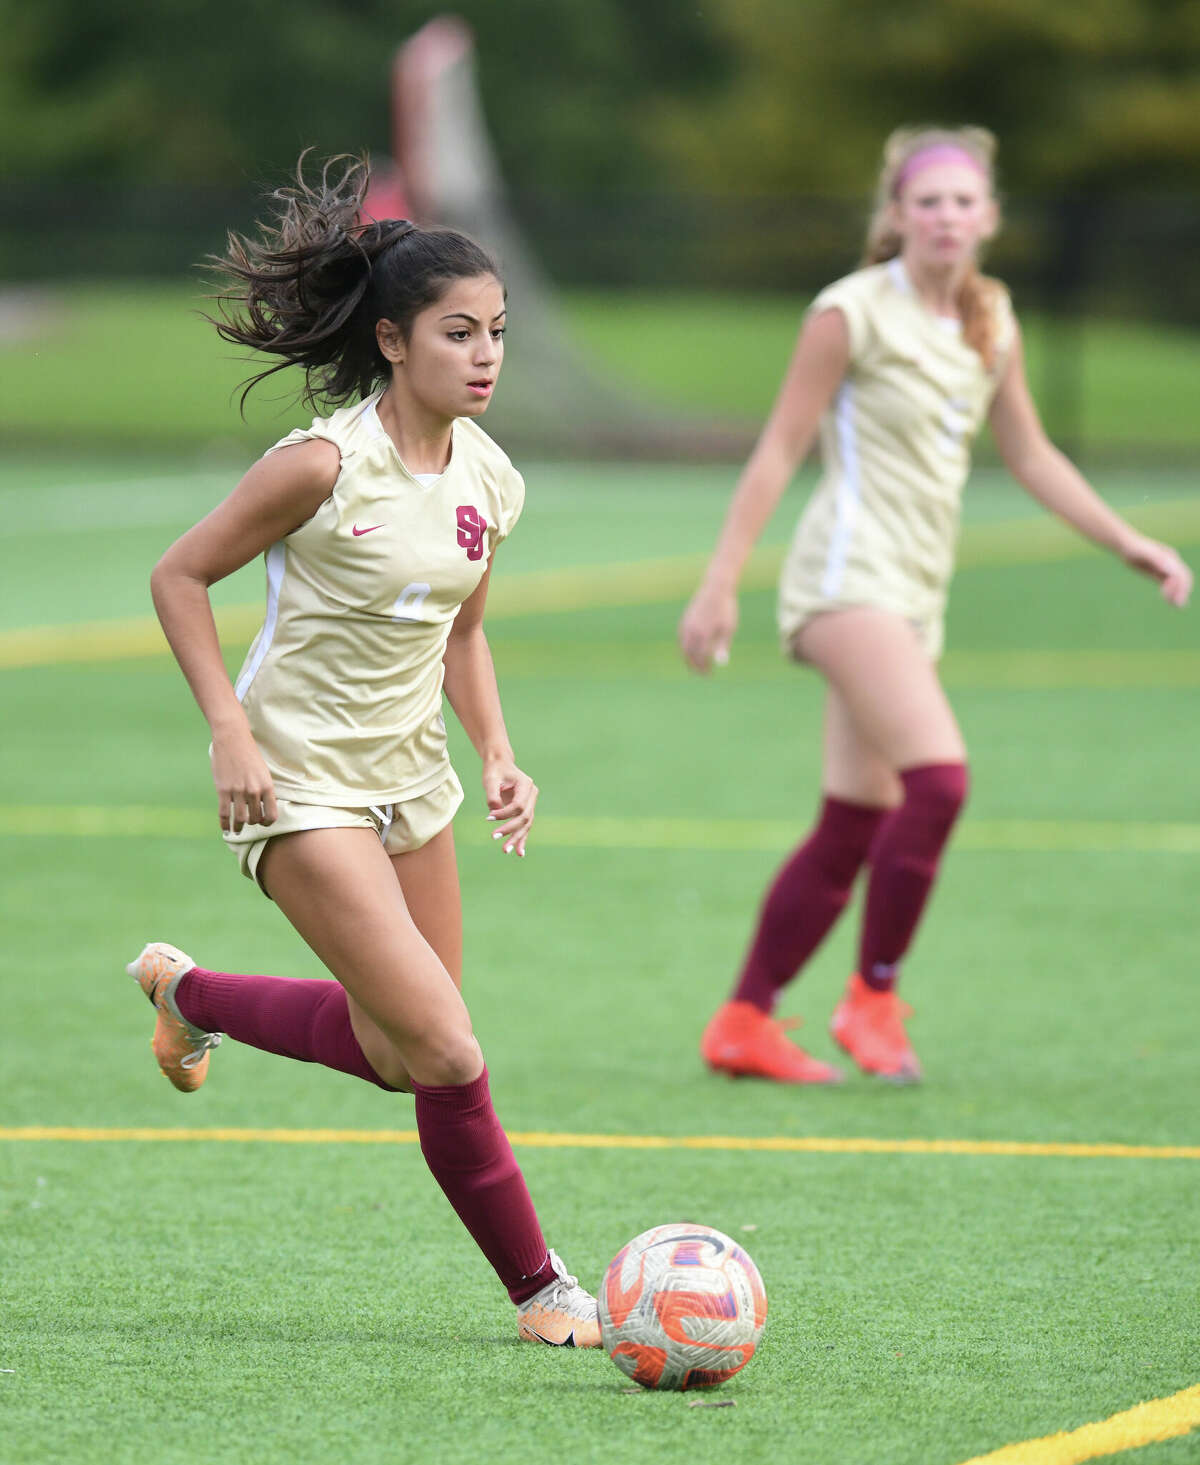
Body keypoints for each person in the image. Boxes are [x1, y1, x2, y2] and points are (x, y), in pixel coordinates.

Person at [127, 153, 600, 1347]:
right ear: (392, 341)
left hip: (412, 782)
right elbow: (178, 576)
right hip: (298, 783)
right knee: (447, 1044)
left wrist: (497, 749)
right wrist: (228, 733)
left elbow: (465, 636)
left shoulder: (493, 476)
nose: (487, 353)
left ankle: (187, 993)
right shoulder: (322, 466)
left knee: (400, 1055)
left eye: (498, 330)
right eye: (459, 332)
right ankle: (544, 1290)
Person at [678, 126, 1192, 1085]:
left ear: (989, 217)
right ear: (897, 216)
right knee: (940, 782)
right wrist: (719, 583)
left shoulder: (990, 316)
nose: (948, 216)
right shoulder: (848, 313)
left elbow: (1031, 453)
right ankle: (873, 997)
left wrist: (1126, 540)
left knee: (852, 822)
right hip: (845, 579)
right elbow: (780, 450)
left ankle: (744, 1020)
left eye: (965, 201)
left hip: (915, 592)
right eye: (929, 201)